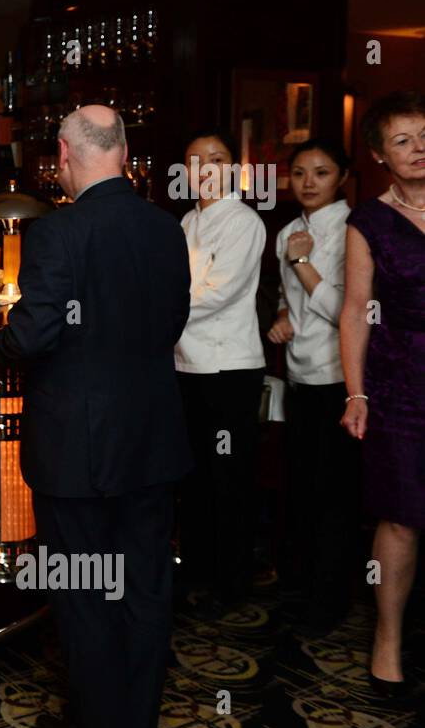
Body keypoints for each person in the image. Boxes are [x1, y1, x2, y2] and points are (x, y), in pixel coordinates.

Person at [0, 105, 193, 728]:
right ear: (123, 153)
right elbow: (172, 322)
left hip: (78, 456)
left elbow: (32, 334)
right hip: (153, 445)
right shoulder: (167, 229)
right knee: (144, 595)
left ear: (66, 158)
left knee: (84, 599)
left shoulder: (57, 233)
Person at [340, 89, 425, 697]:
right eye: (402, 140)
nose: (418, 150)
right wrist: (356, 392)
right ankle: (388, 641)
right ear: (379, 154)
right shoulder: (368, 221)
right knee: (400, 517)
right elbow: (352, 312)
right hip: (399, 380)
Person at [265, 138, 359, 636]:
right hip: (300, 376)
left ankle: (330, 600)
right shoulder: (288, 232)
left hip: (340, 378)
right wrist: (282, 315)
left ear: (341, 177)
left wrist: (303, 265)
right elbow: (286, 297)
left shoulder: (352, 231)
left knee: (334, 493)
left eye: (320, 173)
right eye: (299, 172)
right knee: (299, 487)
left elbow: (350, 312)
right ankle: (298, 590)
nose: (307, 182)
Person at [173, 129, 266, 620]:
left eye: (217, 159)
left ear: (234, 167)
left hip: (229, 368)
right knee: (195, 477)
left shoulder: (243, 221)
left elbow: (218, 292)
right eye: (195, 160)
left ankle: (231, 584)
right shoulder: (188, 220)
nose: (206, 168)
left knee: (228, 477)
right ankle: (198, 572)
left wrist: (155, 312)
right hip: (186, 365)